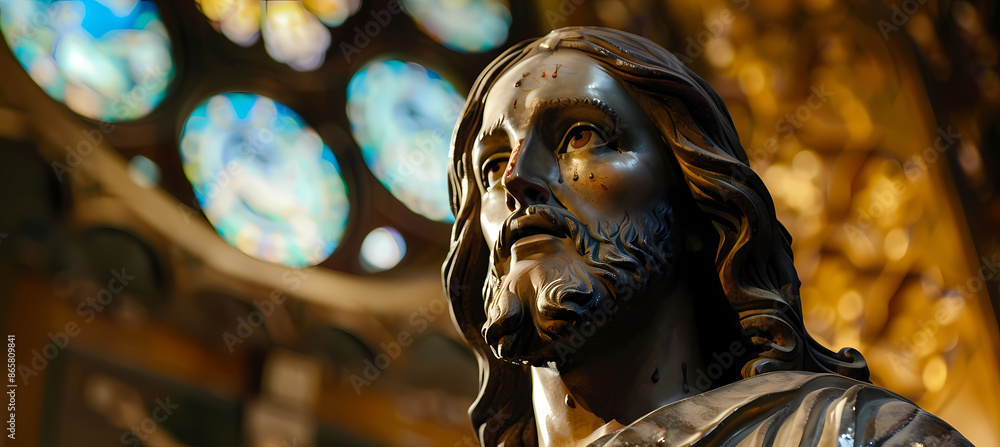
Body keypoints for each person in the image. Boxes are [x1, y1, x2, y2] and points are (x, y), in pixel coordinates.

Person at [442, 26, 971, 447]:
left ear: (697, 208)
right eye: (489, 167)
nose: (514, 178)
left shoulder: (849, 435)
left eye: (581, 136)